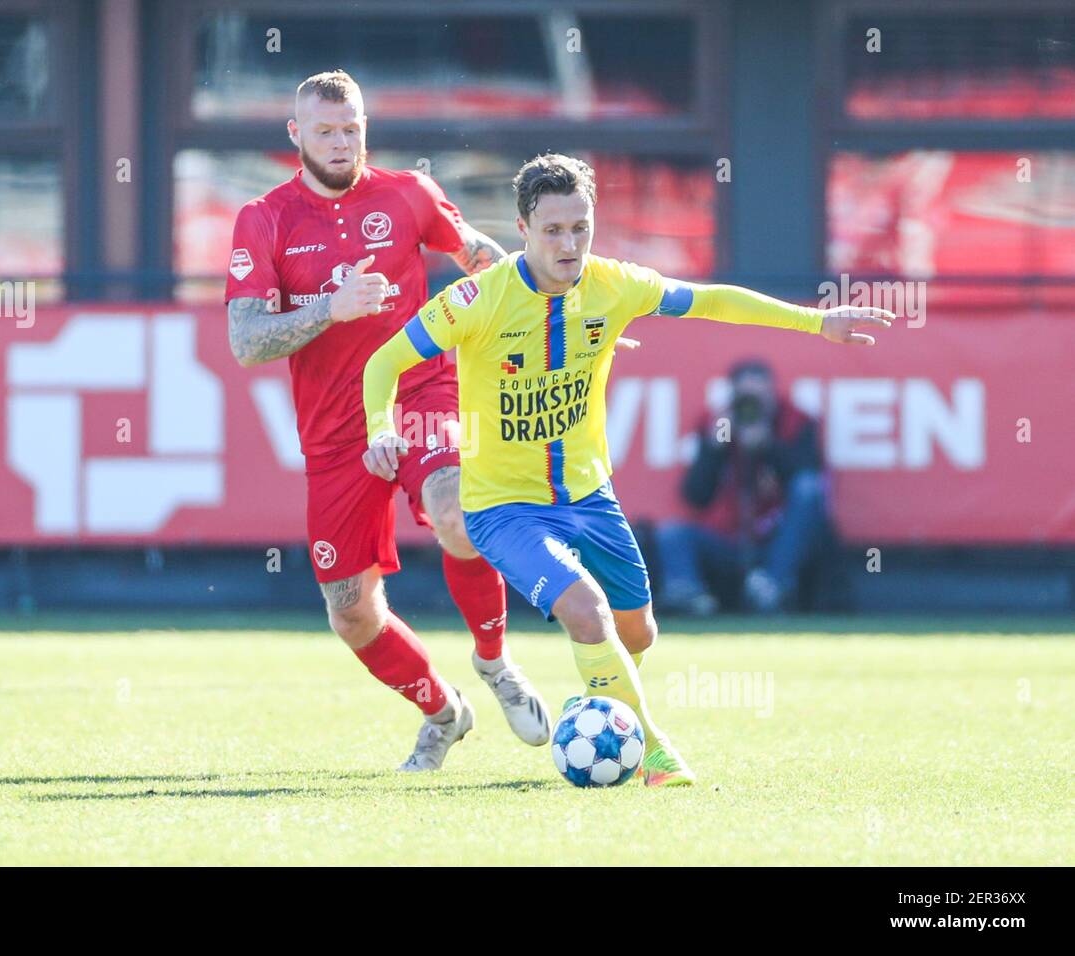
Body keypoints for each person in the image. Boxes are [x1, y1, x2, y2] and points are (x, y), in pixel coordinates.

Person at [362, 153, 894, 786]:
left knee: (636, 633)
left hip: (590, 495)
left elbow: (710, 301)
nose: (569, 244)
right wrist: (381, 430)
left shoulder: (614, 285)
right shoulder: (475, 299)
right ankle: (654, 753)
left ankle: (593, 705)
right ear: (522, 228)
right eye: (553, 230)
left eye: (580, 227)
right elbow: (383, 364)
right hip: (503, 506)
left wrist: (815, 322)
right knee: (587, 612)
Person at [225, 70, 550, 772]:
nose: (342, 144)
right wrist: (326, 311)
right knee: (350, 610)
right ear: (296, 135)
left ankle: (494, 664)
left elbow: (482, 259)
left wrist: (534, 309)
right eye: (325, 131)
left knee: (457, 512)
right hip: (336, 431)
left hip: (419, 390)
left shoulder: (409, 192)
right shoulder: (265, 218)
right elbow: (246, 341)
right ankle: (443, 711)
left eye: (352, 129)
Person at [657, 359, 832, 614]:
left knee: (809, 489)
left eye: (759, 398)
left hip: (779, 538)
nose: (753, 407)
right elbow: (694, 496)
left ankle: (772, 586)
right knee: (672, 533)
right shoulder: (718, 424)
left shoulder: (796, 422)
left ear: (773, 394)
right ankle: (688, 594)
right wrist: (714, 449)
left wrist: (768, 446)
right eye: (745, 398)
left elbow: (810, 481)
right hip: (729, 537)